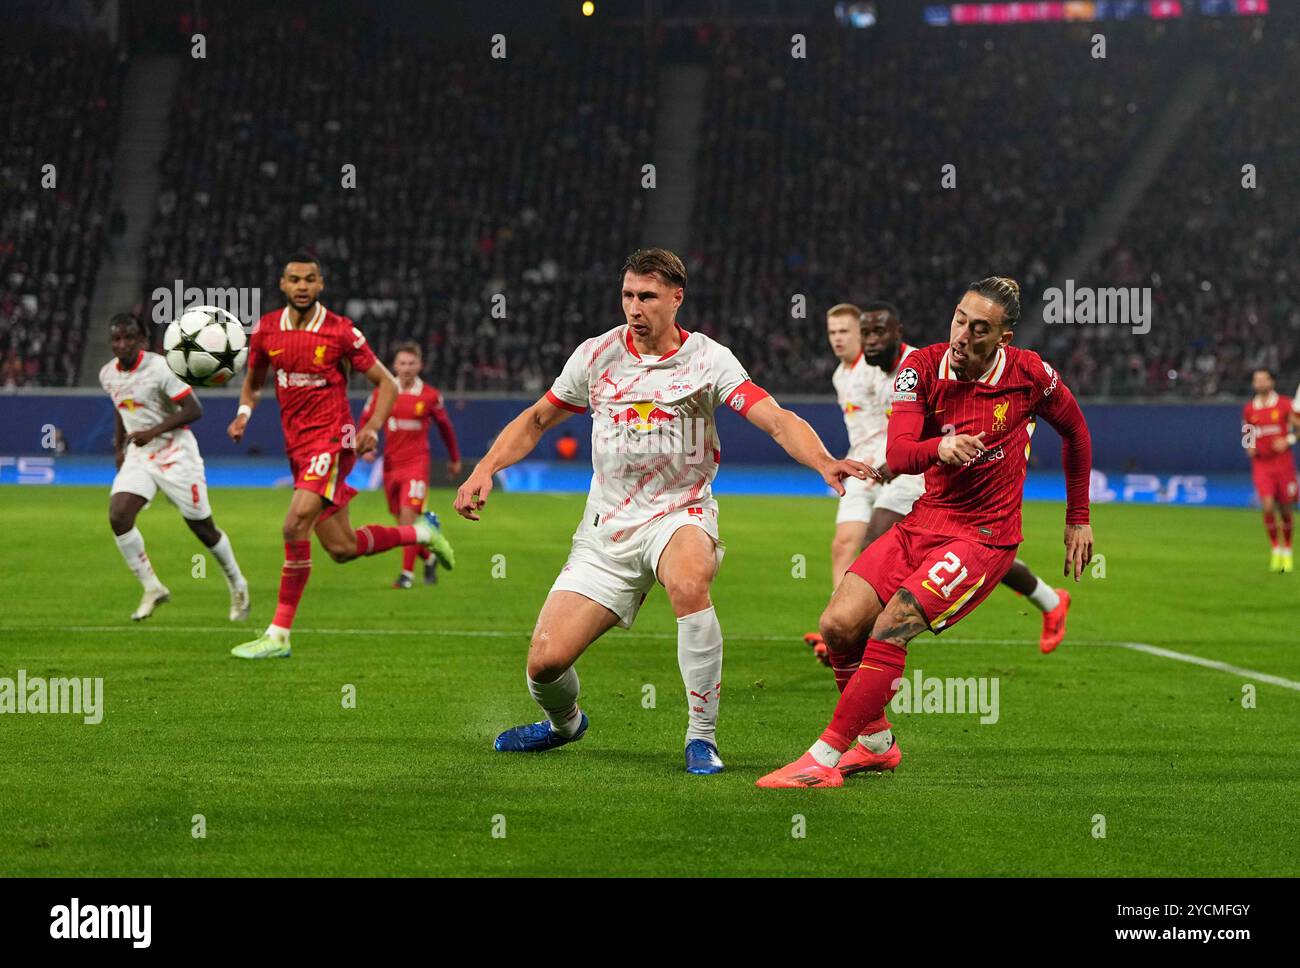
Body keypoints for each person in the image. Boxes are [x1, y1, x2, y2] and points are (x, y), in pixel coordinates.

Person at [453, 247, 872, 774]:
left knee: (689, 582)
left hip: (681, 513)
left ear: (676, 298)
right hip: (607, 529)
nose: (635, 306)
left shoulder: (708, 359)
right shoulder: (595, 356)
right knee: (545, 663)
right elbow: (537, 421)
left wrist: (824, 461)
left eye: (647, 296)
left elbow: (776, 420)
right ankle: (565, 725)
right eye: (628, 294)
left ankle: (702, 738)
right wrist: (484, 468)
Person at [758, 276, 1094, 788]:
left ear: (1003, 338)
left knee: (891, 625)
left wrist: (1078, 517)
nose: (962, 335)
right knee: (838, 626)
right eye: (960, 319)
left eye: (979, 329)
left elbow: (1076, 432)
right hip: (924, 520)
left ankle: (822, 759)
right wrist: (939, 448)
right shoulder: (920, 368)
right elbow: (898, 454)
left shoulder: (1032, 375)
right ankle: (875, 745)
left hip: (984, 536)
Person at [807, 301, 1071, 662]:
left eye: (848, 332)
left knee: (886, 542)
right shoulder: (843, 376)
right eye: (833, 333)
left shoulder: (920, 365)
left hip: (912, 470)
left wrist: (911, 458)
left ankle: (854, 634)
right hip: (864, 470)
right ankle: (841, 628)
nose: (842, 340)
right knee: (846, 546)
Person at [226, 254, 454, 659]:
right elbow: (253, 384)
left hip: (332, 441)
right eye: (294, 279)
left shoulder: (340, 332)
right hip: (298, 449)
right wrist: (243, 414)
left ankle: (278, 635)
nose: (301, 286)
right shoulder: (265, 331)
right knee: (342, 548)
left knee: (294, 524)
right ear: (282, 284)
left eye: (309, 279)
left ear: (320, 285)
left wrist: (370, 429)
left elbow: (386, 384)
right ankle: (422, 534)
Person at [99, 313, 249, 621]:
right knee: (119, 514)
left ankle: (237, 583)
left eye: (129, 338)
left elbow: (195, 409)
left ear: (142, 340)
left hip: (176, 454)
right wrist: (119, 449)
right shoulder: (107, 374)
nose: (122, 344)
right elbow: (120, 407)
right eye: (116, 338)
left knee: (202, 528)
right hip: (140, 455)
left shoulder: (160, 369)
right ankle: (152, 587)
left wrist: (153, 432)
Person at [360, 341, 461, 588]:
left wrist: (454, 457)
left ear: (420, 365)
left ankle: (407, 575)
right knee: (401, 524)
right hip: (391, 465)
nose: (406, 368)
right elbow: (366, 420)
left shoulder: (430, 396)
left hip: (416, 465)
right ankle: (428, 558)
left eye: (411, 363)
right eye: (402, 363)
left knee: (408, 518)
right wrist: (367, 446)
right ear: (394, 365)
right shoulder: (382, 392)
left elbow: (445, 428)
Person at [1242, 368, 1298, 572]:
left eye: (1264, 379)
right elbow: (1247, 430)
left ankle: (1288, 550)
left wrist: (1289, 440)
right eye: (1257, 380)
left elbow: (1298, 427)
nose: (1260, 383)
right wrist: (1249, 445)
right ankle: (1275, 549)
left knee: (1285, 508)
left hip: (1283, 463)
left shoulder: (1285, 404)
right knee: (1267, 505)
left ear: (1272, 382)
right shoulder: (1249, 408)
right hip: (1262, 464)